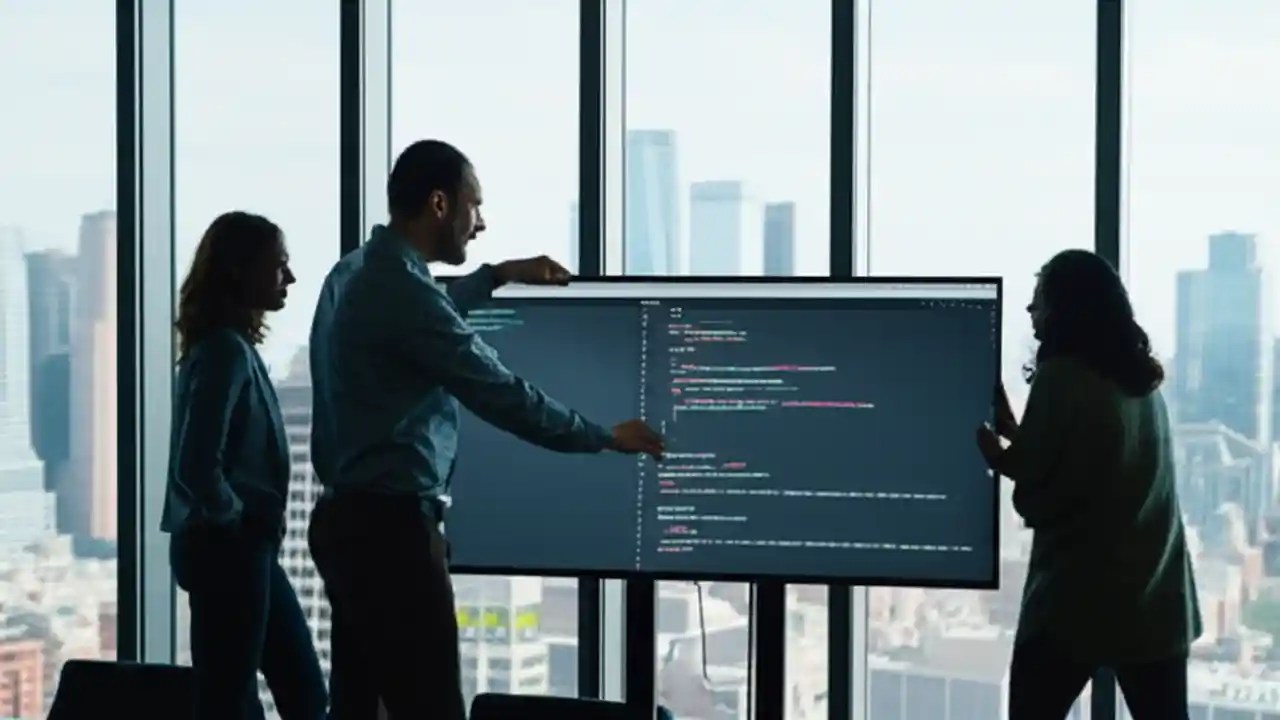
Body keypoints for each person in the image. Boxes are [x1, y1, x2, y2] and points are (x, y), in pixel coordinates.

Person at [308, 139, 665, 719]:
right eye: (476, 206)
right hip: (391, 536)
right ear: (441, 203)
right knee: (431, 708)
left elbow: (427, 306)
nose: (482, 222)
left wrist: (495, 275)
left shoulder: (354, 271)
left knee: (358, 706)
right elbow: (500, 392)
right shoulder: (398, 291)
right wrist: (603, 435)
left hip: (346, 526)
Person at [976, 249, 1201, 719]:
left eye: (1038, 300)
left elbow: (1037, 493)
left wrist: (987, 443)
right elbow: (1089, 455)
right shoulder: (1139, 378)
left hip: (1079, 605)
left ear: (1063, 308)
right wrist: (1019, 434)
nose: (1030, 311)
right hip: (1156, 601)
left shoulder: (1063, 375)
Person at [162, 211, 327, 720]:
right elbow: (196, 464)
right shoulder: (225, 354)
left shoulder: (228, 350)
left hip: (241, 547)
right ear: (238, 270)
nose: (290, 278)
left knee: (282, 688)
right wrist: (236, 517)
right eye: (278, 266)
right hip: (229, 547)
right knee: (234, 696)